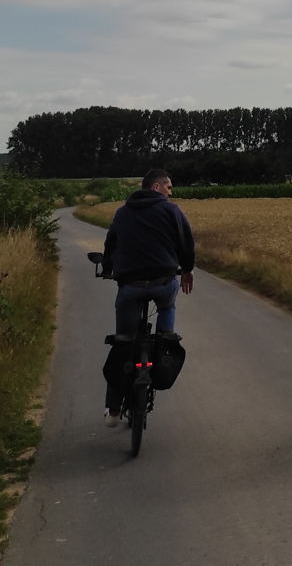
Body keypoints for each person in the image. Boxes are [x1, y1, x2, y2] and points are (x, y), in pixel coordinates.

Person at [100, 169, 196, 426]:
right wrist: (187, 270)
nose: (170, 192)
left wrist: (107, 268)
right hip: (163, 282)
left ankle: (113, 409)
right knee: (167, 305)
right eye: (168, 187)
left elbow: (111, 244)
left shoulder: (122, 212)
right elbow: (186, 243)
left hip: (130, 286)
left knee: (122, 344)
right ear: (156, 187)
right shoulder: (172, 211)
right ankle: (165, 341)